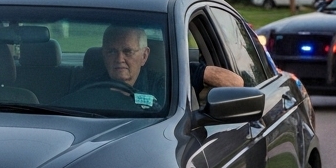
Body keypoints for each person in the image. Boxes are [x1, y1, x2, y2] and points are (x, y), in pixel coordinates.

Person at [100, 26, 243, 102]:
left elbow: (236, 83)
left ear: (144, 56)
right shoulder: (90, 85)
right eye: (111, 52)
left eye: (128, 51)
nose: (119, 58)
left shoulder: (167, 83)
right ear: (103, 54)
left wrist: (190, 71)